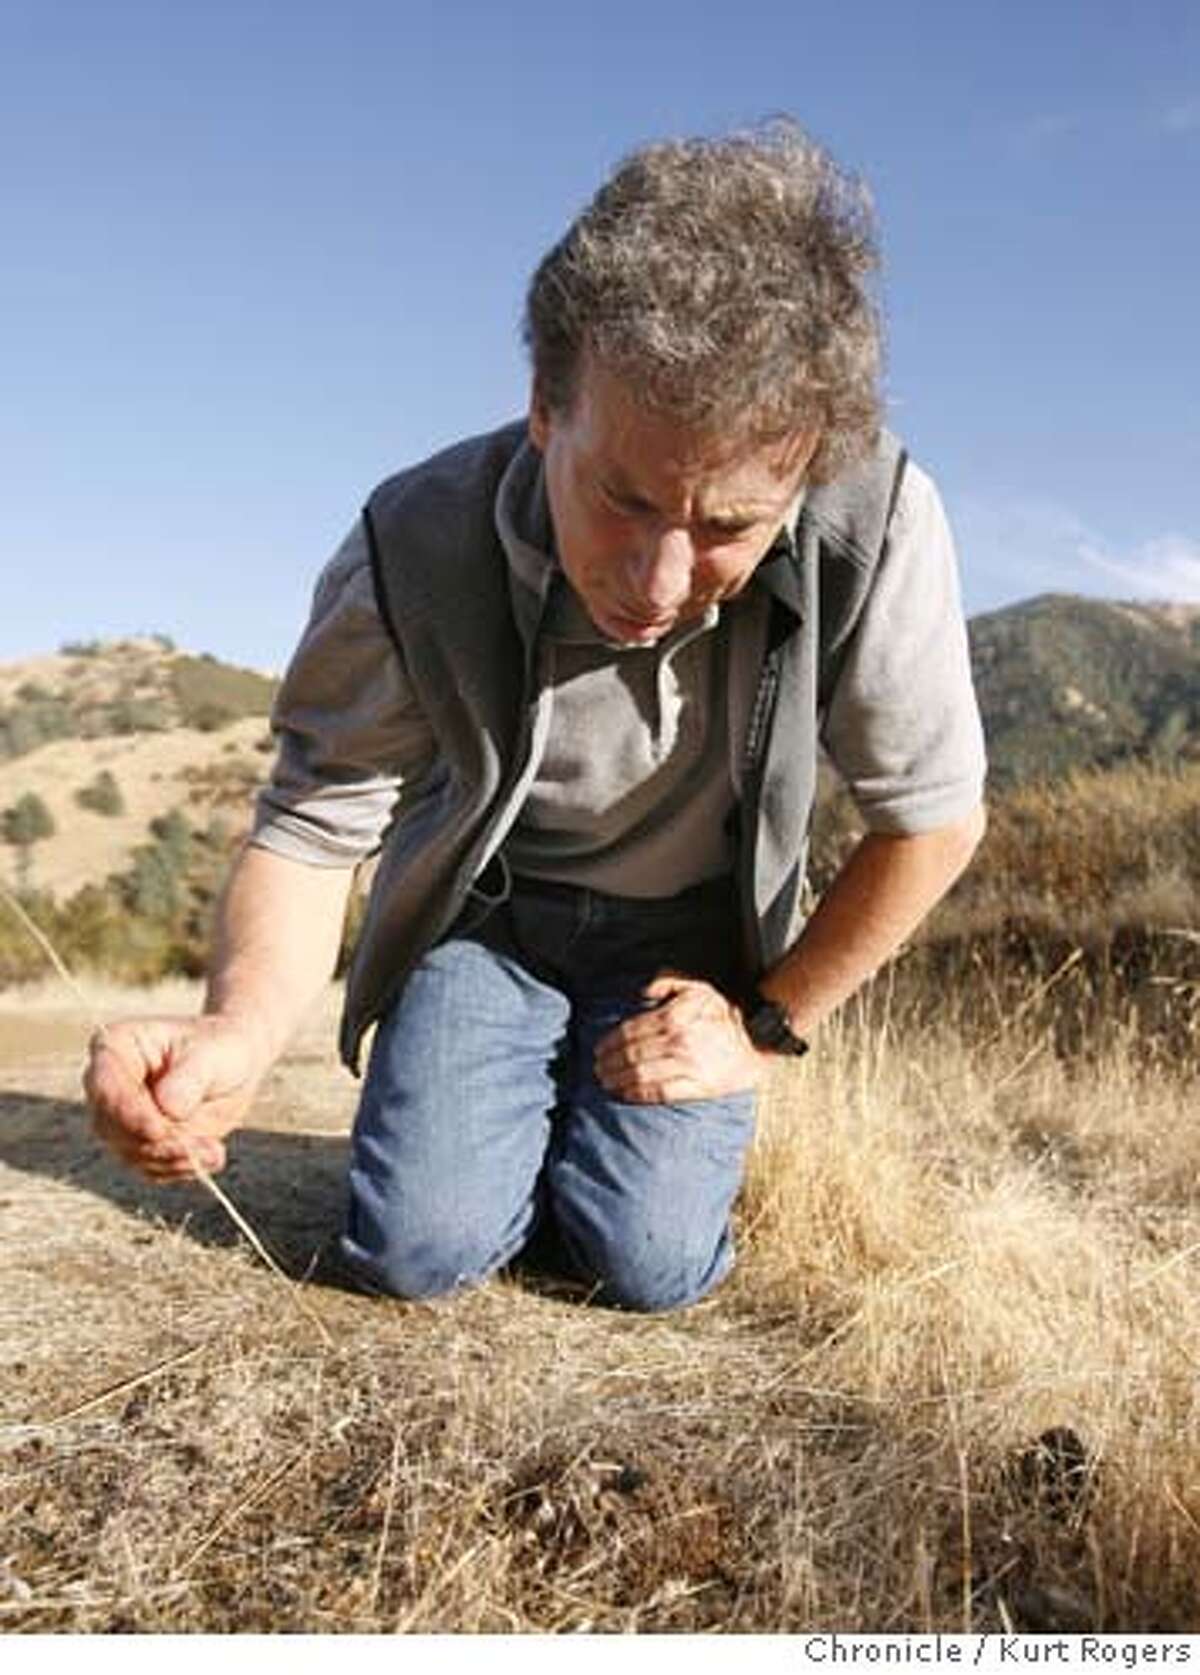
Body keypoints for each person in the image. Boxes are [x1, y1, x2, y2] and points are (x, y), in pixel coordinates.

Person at [85, 120, 986, 1312]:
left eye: (727, 526)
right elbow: (312, 825)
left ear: (809, 464)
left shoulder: (881, 520)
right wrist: (239, 1034)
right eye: (624, 499)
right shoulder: (412, 539)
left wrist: (762, 1028)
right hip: (491, 920)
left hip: (692, 946)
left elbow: (932, 821)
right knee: (414, 1252)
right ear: (545, 409)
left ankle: (586, 1149)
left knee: (647, 1264)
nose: (660, 581)